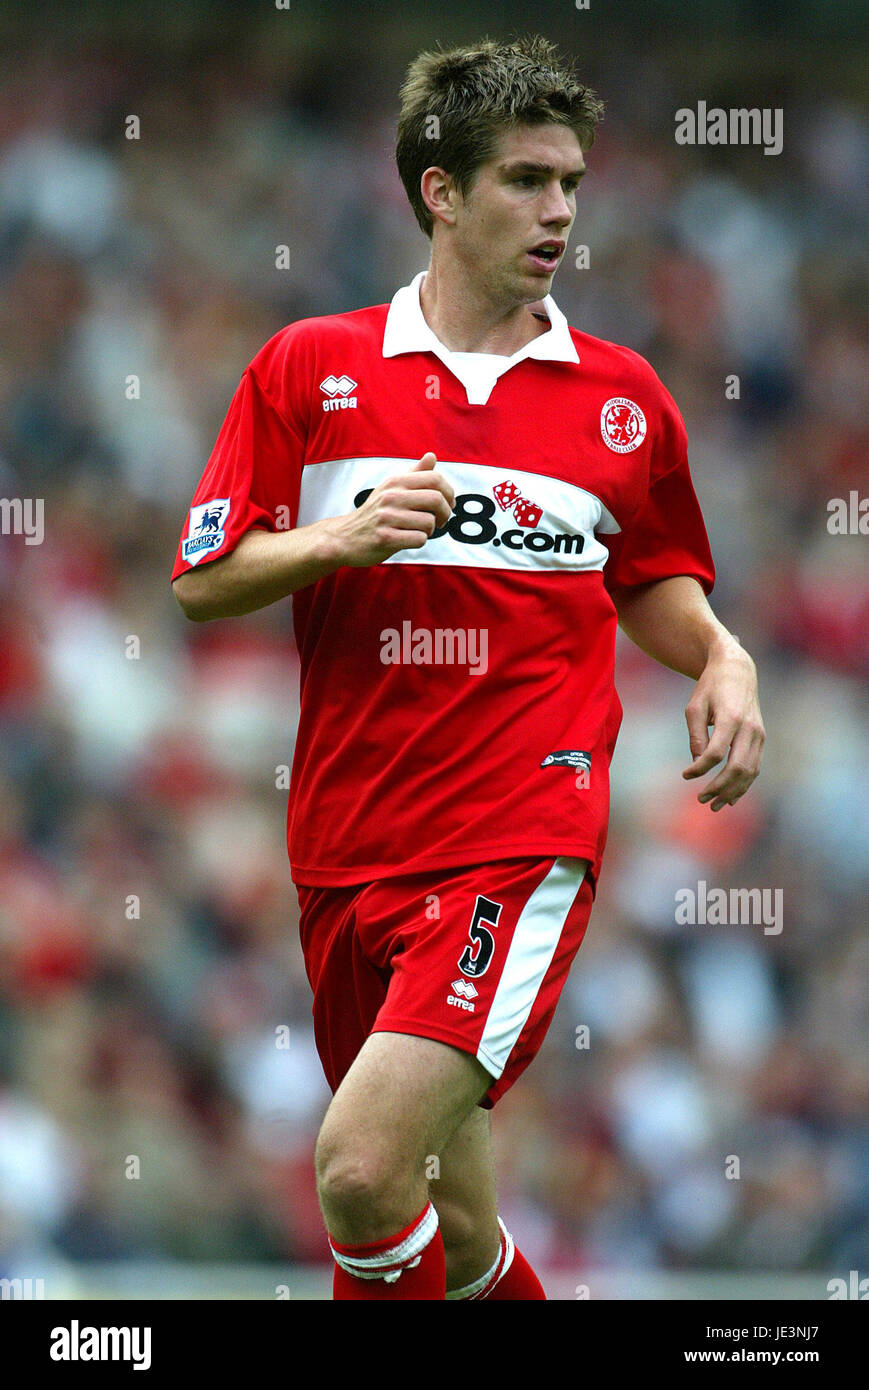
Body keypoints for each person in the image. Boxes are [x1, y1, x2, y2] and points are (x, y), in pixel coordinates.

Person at [171, 35, 765, 1300]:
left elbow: (650, 580)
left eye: (570, 183)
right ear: (439, 191)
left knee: (359, 1172)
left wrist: (720, 654)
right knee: (455, 1239)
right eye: (525, 179)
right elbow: (200, 582)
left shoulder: (623, 398)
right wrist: (340, 534)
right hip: (345, 843)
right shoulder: (308, 370)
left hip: (516, 829)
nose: (558, 210)